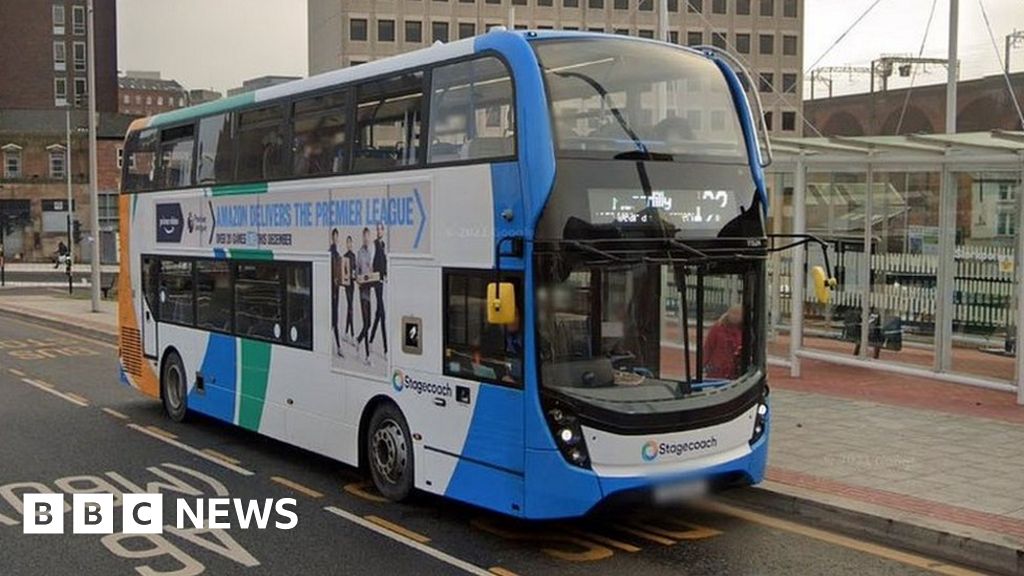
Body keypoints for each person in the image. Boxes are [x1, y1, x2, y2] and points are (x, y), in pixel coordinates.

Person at [703, 305, 743, 380]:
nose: (735, 316)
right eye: (733, 313)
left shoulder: (745, 331)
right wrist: (705, 364)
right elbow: (708, 347)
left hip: (735, 373)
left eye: (738, 314)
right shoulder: (717, 328)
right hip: (716, 371)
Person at [355, 227, 374, 365]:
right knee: (366, 323)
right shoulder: (359, 253)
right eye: (364, 236)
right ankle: (367, 356)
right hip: (362, 292)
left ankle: (358, 340)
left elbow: (372, 271)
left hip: (369, 291)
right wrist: (358, 279)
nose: (366, 238)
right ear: (362, 237)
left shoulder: (371, 253)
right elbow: (356, 272)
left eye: (368, 236)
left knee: (370, 323)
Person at [369, 222, 388, 355]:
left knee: (378, 314)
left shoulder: (383, 245)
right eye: (377, 229)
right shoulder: (374, 244)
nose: (379, 231)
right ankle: (386, 349)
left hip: (381, 282)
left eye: (380, 229)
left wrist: (385, 275)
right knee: (383, 313)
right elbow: (372, 263)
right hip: (376, 282)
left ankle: (369, 341)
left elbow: (383, 263)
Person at [329, 229, 343, 357]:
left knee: (335, 320)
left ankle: (338, 347)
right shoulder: (331, 254)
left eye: (337, 237)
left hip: (336, 292)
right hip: (332, 293)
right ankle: (337, 347)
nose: (336, 239)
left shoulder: (338, 255)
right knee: (332, 321)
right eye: (334, 237)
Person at [342, 235, 357, 343]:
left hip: (353, 284)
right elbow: (343, 272)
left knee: (349, 308)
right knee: (350, 306)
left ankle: (346, 333)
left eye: (350, 242)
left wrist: (355, 276)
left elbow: (355, 269)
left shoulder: (354, 256)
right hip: (347, 285)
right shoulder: (344, 256)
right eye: (347, 242)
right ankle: (352, 334)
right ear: (346, 244)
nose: (349, 244)